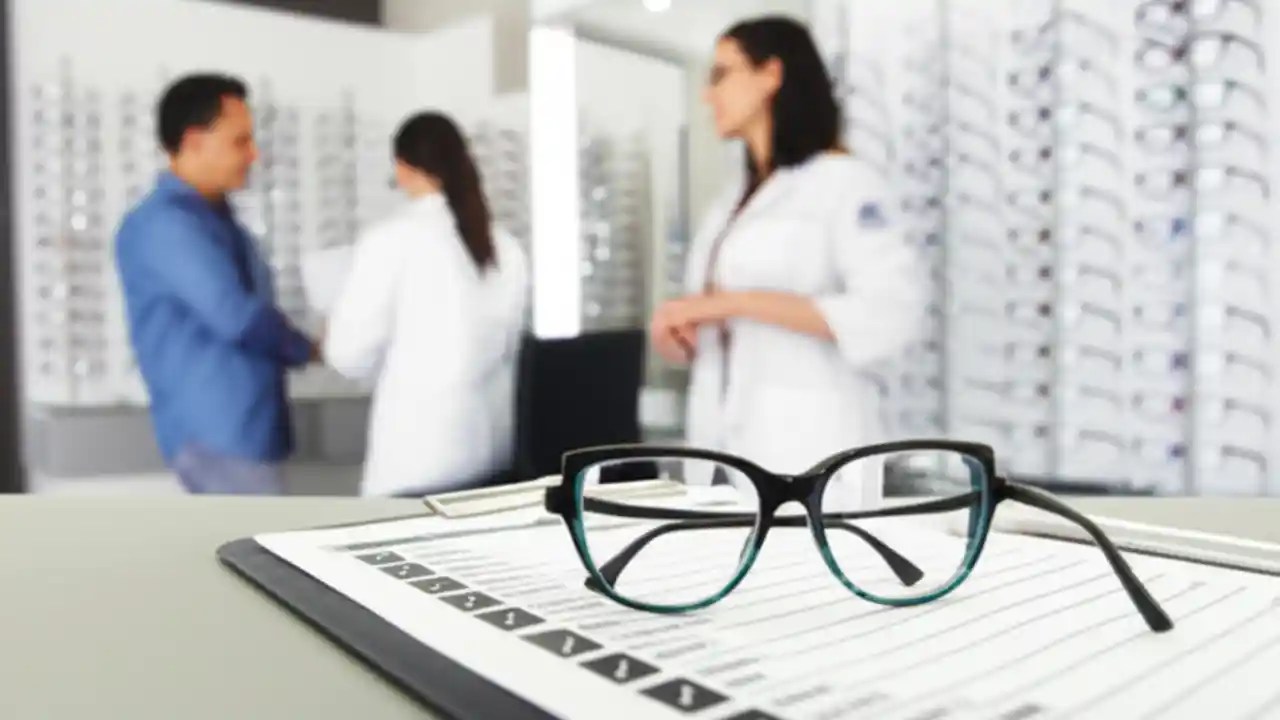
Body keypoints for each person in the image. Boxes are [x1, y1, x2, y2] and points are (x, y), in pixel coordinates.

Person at [650, 16, 927, 507]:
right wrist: (683, 335)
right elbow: (728, 335)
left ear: (770, 75)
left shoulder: (845, 185)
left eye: (721, 74)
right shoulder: (730, 204)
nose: (708, 95)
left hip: (810, 451)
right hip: (724, 451)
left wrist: (726, 304)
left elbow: (892, 314)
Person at [115, 73, 318, 495]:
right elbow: (236, 316)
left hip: (247, 431)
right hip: (220, 437)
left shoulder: (217, 219)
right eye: (240, 141)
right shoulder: (164, 225)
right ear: (194, 142)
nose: (253, 154)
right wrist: (310, 348)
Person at [323, 112, 529, 498]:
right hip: (490, 453)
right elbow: (510, 348)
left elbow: (347, 355)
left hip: (417, 460)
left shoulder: (390, 242)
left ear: (401, 167)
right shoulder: (506, 248)